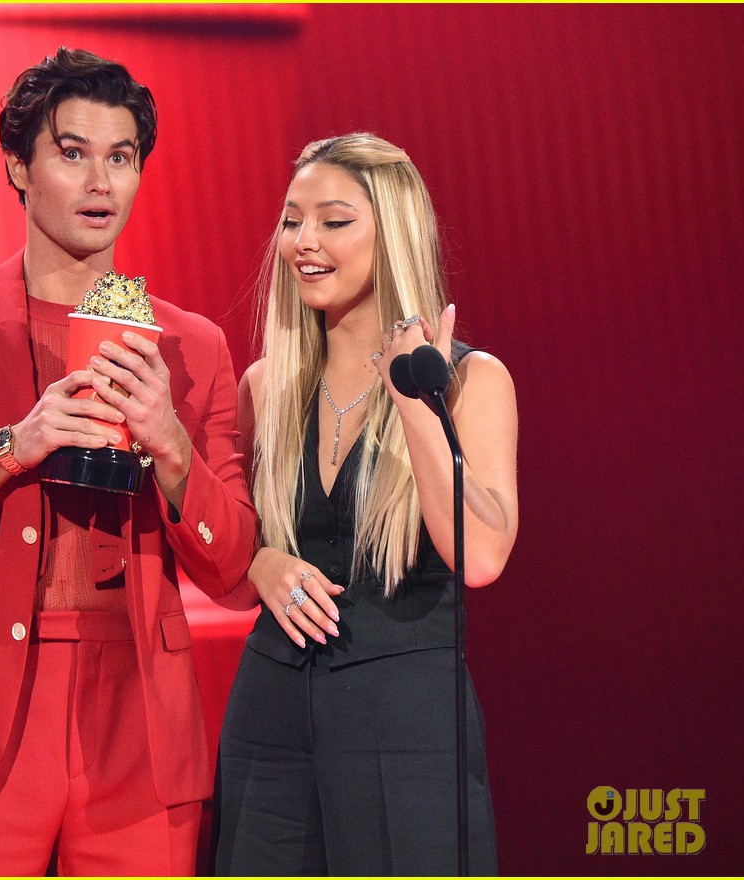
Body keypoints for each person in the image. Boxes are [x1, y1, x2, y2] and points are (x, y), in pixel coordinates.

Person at [0, 47, 255, 876]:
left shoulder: (193, 346)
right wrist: (7, 451)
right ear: (17, 169)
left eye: (121, 157)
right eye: (73, 153)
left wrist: (171, 448)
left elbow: (234, 568)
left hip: (137, 719)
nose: (101, 182)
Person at [213, 133, 518, 875]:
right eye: (292, 221)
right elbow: (214, 548)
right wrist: (257, 562)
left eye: (334, 220)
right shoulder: (265, 387)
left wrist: (412, 397)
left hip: (405, 724)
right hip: (271, 719)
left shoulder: (472, 381)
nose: (303, 242)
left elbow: (479, 557)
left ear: (394, 233)